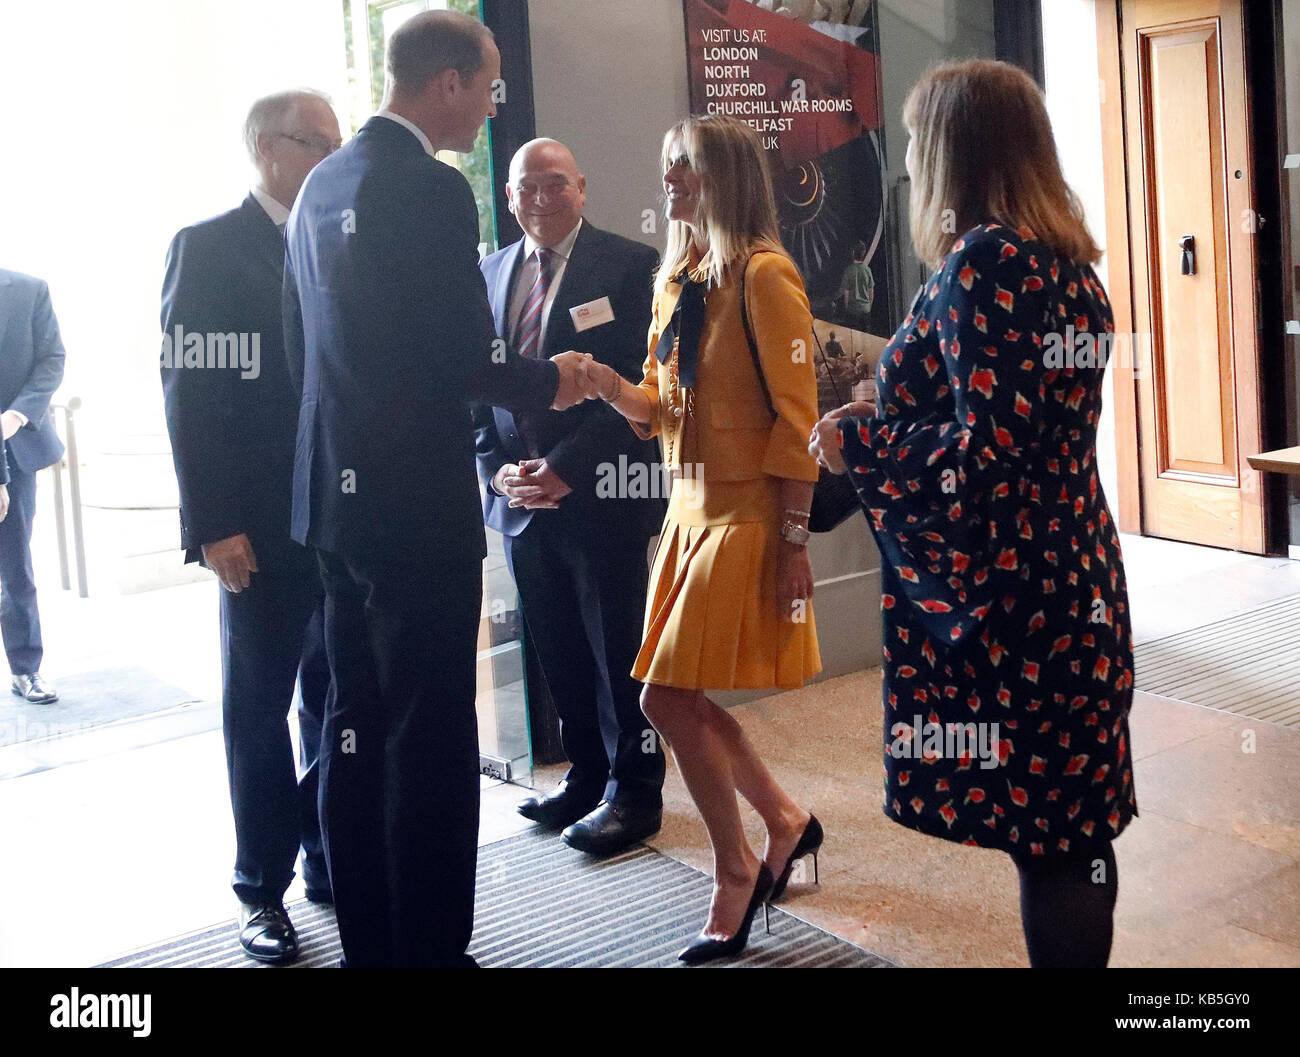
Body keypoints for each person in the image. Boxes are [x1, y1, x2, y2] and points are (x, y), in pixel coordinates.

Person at [810, 59, 1137, 968]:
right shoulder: (1067, 260)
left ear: (957, 148)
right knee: (1073, 827)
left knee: (1051, 841)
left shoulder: (982, 262)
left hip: (1017, 599)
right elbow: (1014, 423)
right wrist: (893, 411)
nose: (910, 160)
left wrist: (860, 448)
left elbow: (985, 457)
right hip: (1075, 569)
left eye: (919, 139)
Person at [282, 10, 589, 968]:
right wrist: (553, 380)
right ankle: (430, 950)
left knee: (352, 725)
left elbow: (309, 354)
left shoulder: (319, 183)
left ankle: (371, 942)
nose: (494, 105)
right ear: (447, 84)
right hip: (413, 509)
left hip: (334, 506)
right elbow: (462, 352)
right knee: (429, 736)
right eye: (490, 85)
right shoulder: (430, 186)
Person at [582, 114, 823, 964]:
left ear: (725, 177)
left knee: (661, 698)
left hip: (746, 514)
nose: (670, 182)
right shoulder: (677, 275)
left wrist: (794, 541)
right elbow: (657, 405)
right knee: (672, 695)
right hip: (685, 514)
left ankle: (738, 865)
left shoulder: (765, 278)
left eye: (683, 167)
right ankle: (786, 820)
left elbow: (801, 425)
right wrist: (605, 383)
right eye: (665, 166)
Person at [160, 88, 340, 964]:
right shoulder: (207, 248)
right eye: (320, 143)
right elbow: (190, 399)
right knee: (259, 710)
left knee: (335, 700)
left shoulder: (337, 236)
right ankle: (258, 890)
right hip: (257, 531)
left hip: (340, 522)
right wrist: (215, 523)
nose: (333, 158)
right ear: (269, 149)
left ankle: (325, 854)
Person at [474, 139, 667, 856]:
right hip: (522, 504)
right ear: (508, 196)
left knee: (617, 647)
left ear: (582, 188)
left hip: (603, 495)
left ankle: (635, 790)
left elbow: (634, 385)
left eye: (557, 184)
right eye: (527, 186)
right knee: (557, 648)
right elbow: (478, 390)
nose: (541, 197)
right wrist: (498, 473)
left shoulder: (628, 265)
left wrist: (562, 467)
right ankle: (586, 776)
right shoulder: (489, 273)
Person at [0, 269, 66, 705]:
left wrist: (18, 414)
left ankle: (26, 668)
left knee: (13, 563)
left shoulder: (28, 290)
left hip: (16, 445)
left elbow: (52, 358)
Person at [838, 240, 874, 329]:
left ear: (853, 253)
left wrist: (847, 308)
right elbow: (871, 291)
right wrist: (868, 306)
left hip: (853, 311)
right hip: (865, 310)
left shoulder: (848, 270)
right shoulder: (867, 270)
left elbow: (846, 293)